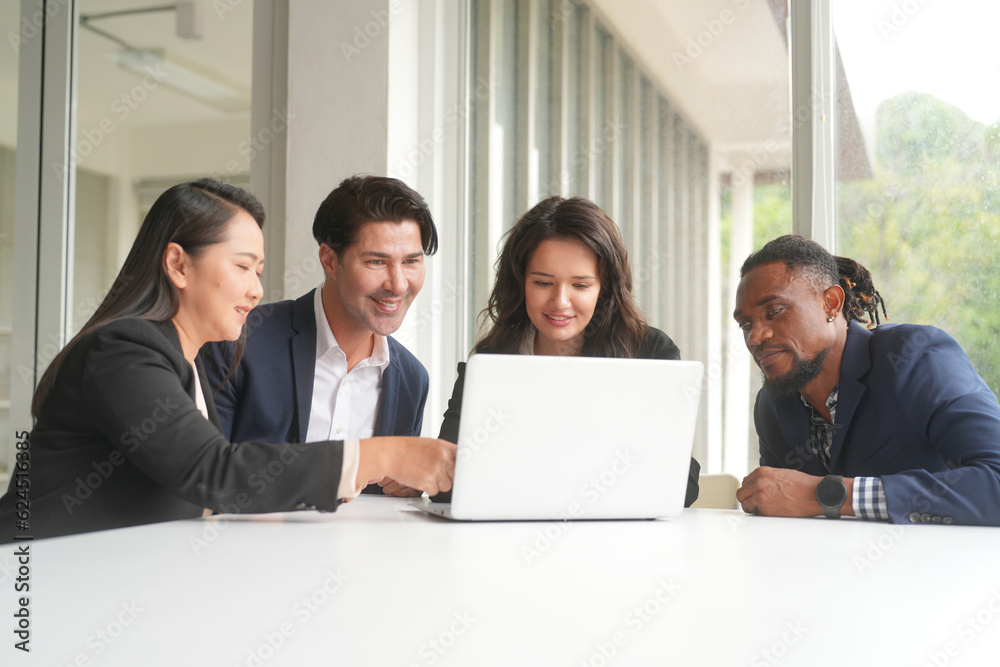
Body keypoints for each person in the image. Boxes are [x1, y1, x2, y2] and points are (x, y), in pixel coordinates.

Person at [0, 179, 455, 542]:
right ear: (178, 265)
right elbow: (213, 471)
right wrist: (384, 454)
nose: (257, 290)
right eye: (242, 267)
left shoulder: (184, 362)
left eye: (258, 271)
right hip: (34, 590)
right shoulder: (124, 348)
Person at [435, 196, 701, 506]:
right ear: (521, 283)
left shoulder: (651, 352)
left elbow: (682, 486)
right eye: (543, 282)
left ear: (605, 288)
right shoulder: (493, 359)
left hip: (619, 540)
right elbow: (445, 483)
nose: (560, 301)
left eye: (581, 285)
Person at [733, 234, 1000, 526]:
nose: (755, 337)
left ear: (831, 303)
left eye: (774, 312)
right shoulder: (772, 404)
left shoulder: (915, 357)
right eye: (746, 323)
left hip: (940, 567)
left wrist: (825, 495)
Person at [201, 175, 434, 498]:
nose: (397, 284)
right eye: (376, 261)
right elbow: (207, 481)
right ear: (329, 260)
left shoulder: (411, 379)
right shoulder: (240, 341)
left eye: (411, 261)